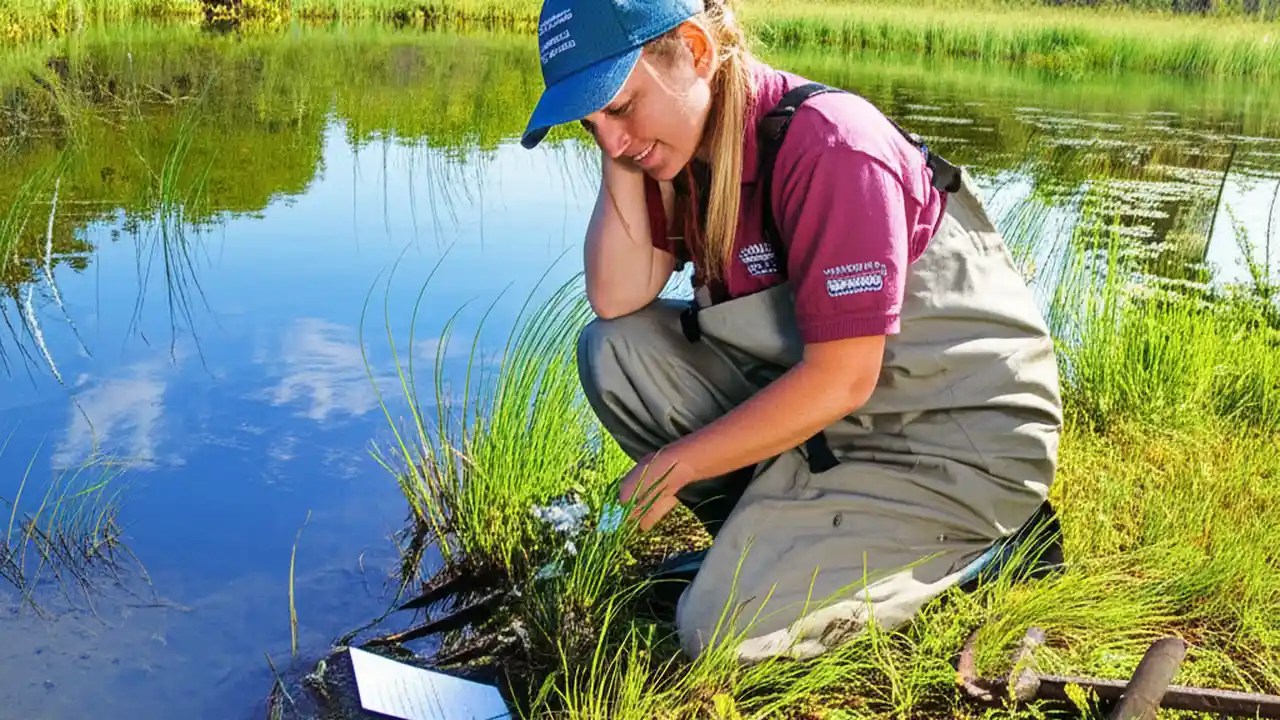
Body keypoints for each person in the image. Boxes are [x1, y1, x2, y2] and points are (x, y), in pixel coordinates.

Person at [519, 0, 1064, 664]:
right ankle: (778, 537)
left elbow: (843, 377)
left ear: (694, 50)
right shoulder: (680, 154)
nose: (608, 137)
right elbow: (615, 298)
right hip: (847, 430)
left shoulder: (832, 145)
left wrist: (672, 467)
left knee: (713, 632)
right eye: (588, 121)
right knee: (615, 353)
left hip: (950, 442)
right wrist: (624, 147)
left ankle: (983, 548)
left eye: (623, 104)